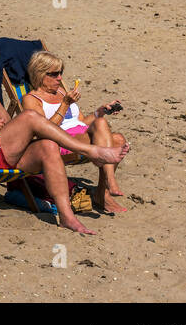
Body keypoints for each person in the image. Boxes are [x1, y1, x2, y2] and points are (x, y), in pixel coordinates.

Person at [0, 48, 129, 235]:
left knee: (48, 146)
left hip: (1, 150)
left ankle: (67, 216)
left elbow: (10, 125)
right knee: (29, 116)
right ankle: (91, 151)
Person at [20, 51, 127, 213]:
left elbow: (81, 122)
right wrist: (65, 104)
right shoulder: (31, 99)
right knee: (103, 128)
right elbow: (42, 130)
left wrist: (102, 111)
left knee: (118, 138)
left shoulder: (62, 92)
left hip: (82, 135)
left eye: (61, 73)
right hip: (63, 141)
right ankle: (109, 183)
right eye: (54, 74)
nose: (60, 78)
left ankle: (102, 192)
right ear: (40, 74)